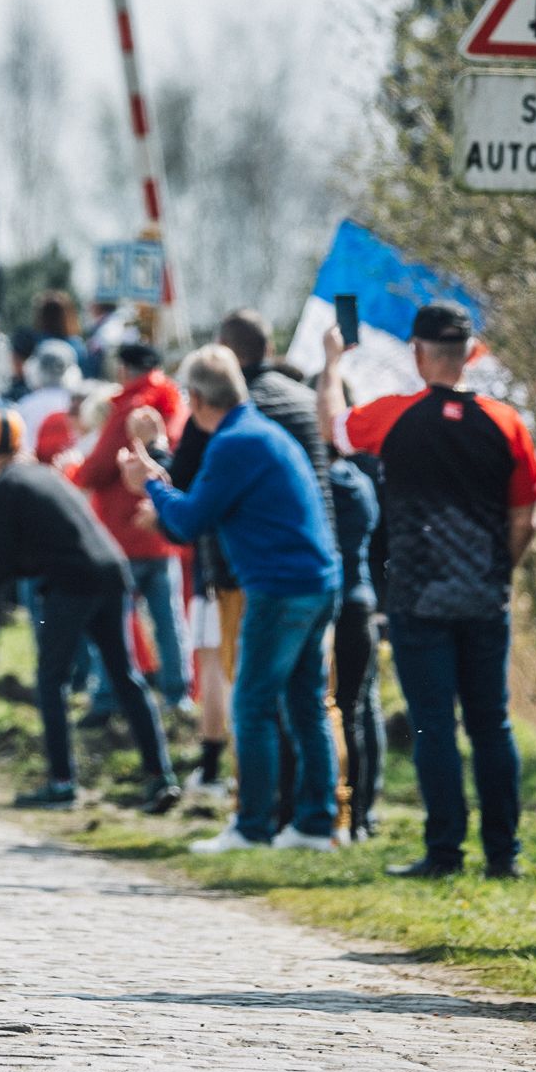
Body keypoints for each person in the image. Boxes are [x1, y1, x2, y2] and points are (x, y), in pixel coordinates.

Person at [318, 303, 536, 878]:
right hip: (483, 596)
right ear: (471, 354)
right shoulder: (506, 422)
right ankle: (504, 856)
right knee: (491, 724)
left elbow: (333, 428)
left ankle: (444, 852)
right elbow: (527, 518)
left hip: (418, 596)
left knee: (434, 725)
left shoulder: (396, 416)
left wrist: (330, 364)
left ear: (418, 354)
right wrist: (498, 571)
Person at [124, 345, 341, 853]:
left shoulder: (233, 443)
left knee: (253, 703)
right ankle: (314, 823)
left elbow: (188, 521)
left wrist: (150, 485)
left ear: (196, 399)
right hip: (316, 580)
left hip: (279, 587)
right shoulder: (259, 432)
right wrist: (159, 467)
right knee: (306, 705)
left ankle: (252, 826)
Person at [0, 408, 180, 814]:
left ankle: (61, 783)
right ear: (19, 443)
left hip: (74, 584)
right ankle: (160, 777)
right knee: (126, 677)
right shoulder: (41, 475)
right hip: (110, 572)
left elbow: (0, 573)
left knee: (51, 680)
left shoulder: (3, 486)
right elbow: (23, 560)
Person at [73, 342, 192, 714]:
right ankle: (178, 697)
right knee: (169, 621)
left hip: (122, 534)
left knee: (113, 622)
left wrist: (72, 472)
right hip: (162, 529)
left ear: (123, 370)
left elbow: (96, 469)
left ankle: (108, 698)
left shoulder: (129, 408)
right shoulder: (177, 405)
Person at [328, 450, 383, 842]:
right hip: (363, 600)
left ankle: (339, 814)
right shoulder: (362, 482)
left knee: (332, 711)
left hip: (332, 601)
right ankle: (361, 818)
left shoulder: (321, 483)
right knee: (358, 710)